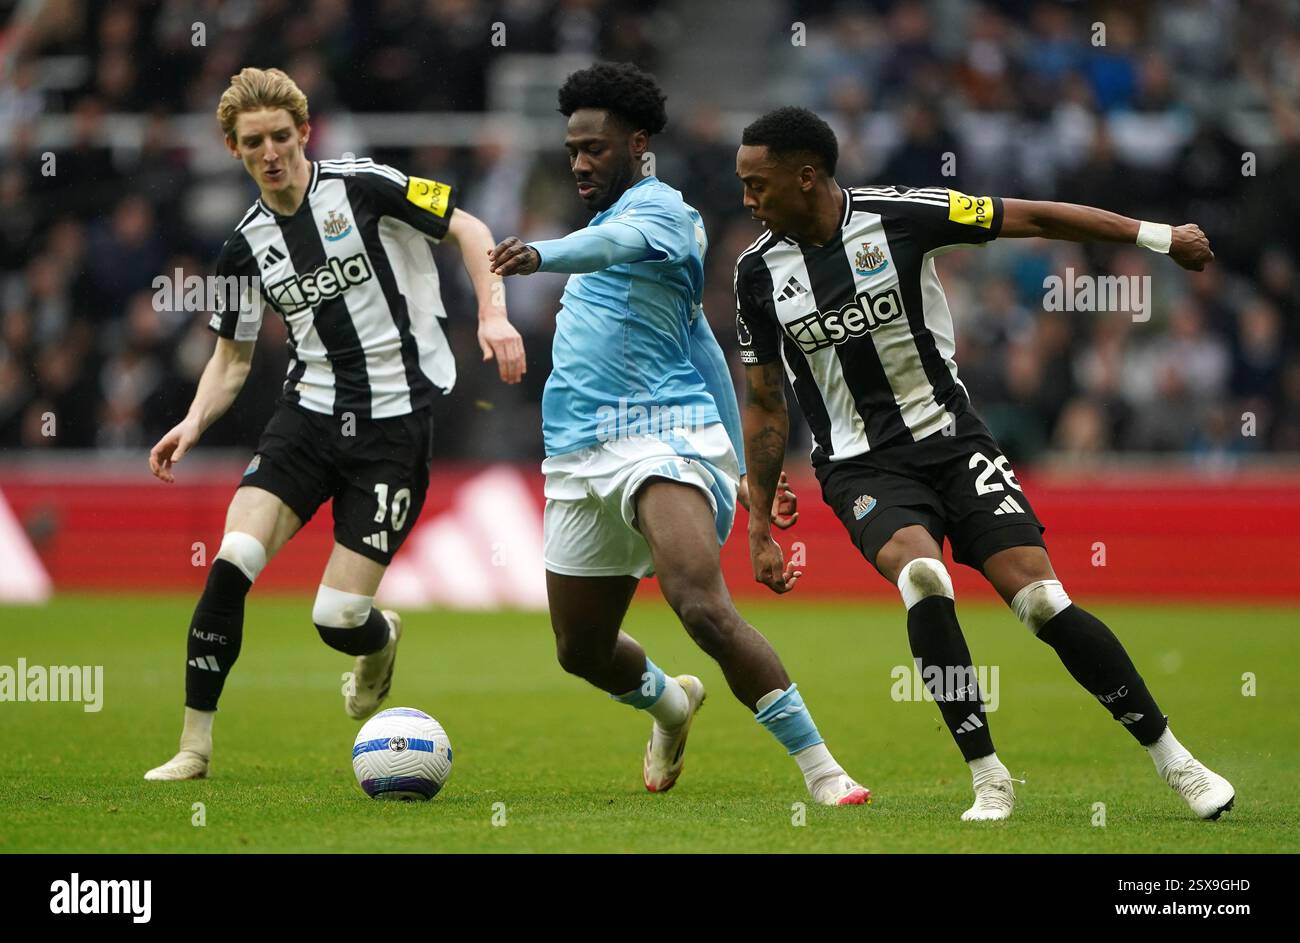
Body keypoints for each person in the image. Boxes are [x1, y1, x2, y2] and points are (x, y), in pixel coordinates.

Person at [734, 106, 1234, 821]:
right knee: (922, 575)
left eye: (758, 185)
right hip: (861, 467)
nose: (748, 201)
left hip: (954, 443)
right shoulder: (755, 272)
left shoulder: (905, 213)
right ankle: (988, 775)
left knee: (1041, 601)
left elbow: (1031, 217)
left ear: (805, 176)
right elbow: (765, 399)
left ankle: (1176, 761)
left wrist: (1159, 237)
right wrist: (760, 513)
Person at [489, 64, 868, 805]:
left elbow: (607, 249)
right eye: (572, 149)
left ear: (638, 144)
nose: (581, 162)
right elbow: (702, 347)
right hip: (575, 453)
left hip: (661, 437)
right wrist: (747, 474)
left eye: (596, 147)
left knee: (697, 601)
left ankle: (823, 769)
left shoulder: (665, 215)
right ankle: (670, 704)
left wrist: (540, 254)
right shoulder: (613, 230)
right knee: (581, 650)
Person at [143, 67, 525, 784]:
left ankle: (377, 646)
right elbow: (231, 357)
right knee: (230, 566)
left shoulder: (362, 185)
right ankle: (193, 748)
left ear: (304, 134)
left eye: (281, 136)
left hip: (393, 428)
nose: (271, 152)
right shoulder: (243, 248)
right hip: (307, 418)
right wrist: (191, 422)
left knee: (338, 617)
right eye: (253, 141)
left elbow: (469, 227)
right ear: (233, 148)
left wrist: (494, 312)